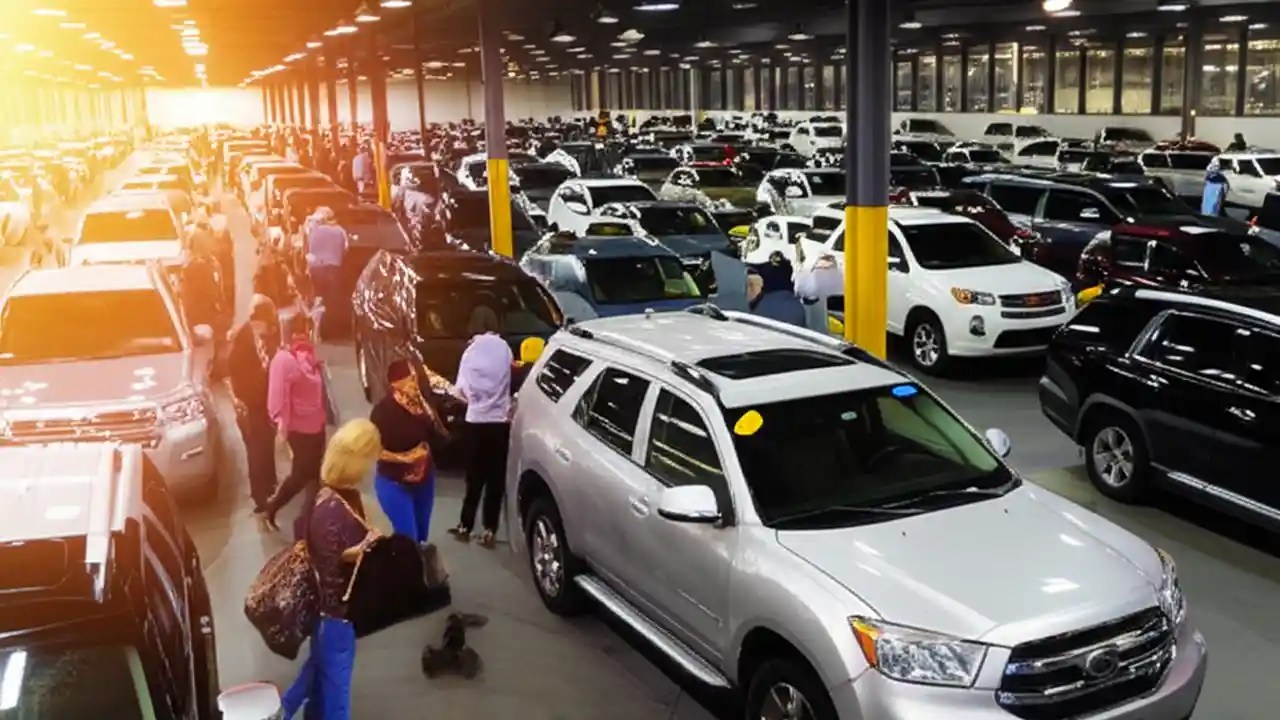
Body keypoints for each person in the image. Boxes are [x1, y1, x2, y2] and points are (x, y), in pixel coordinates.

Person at [280, 418, 383, 720]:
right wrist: (367, 546)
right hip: (335, 616)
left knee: (315, 673)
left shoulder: (324, 495)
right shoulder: (334, 510)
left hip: (324, 615)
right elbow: (333, 560)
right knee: (337, 694)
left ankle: (282, 712)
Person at [447, 306, 513, 548]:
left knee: (474, 478)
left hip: (475, 422)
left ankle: (465, 525)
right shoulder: (505, 348)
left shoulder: (470, 352)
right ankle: (489, 529)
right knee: (495, 479)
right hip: (499, 423)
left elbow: (461, 391)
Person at [370, 360, 450, 544]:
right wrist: (405, 458)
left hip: (424, 479)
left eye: (415, 377)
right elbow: (372, 451)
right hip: (393, 481)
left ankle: (418, 569)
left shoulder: (422, 405)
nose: (414, 383)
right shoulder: (382, 411)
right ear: (395, 383)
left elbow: (439, 437)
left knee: (421, 535)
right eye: (410, 378)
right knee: (408, 537)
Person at [263, 314, 328, 533]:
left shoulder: (308, 355)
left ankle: (311, 521)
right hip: (300, 430)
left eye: (305, 331)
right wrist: (282, 425)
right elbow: (279, 395)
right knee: (302, 474)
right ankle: (274, 507)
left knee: (314, 474)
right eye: (299, 332)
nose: (304, 336)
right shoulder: (285, 360)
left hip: (316, 425)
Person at [229, 295, 280, 518]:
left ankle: (270, 486)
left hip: (264, 405)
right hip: (250, 407)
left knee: (266, 445)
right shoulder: (244, 342)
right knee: (256, 451)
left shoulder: (265, 337)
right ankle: (261, 497)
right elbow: (238, 376)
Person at [305, 207, 349, 339]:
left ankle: (315, 326)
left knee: (318, 297)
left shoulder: (312, 230)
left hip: (315, 268)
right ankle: (330, 331)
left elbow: (306, 248)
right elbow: (346, 249)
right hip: (333, 268)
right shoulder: (340, 231)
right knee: (332, 301)